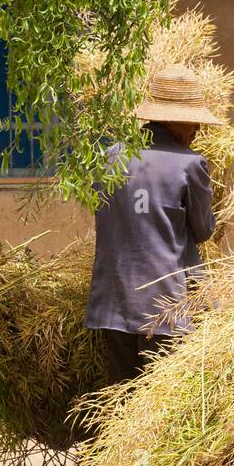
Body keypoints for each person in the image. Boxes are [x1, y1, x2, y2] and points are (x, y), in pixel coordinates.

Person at [84, 64, 222, 384]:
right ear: (172, 121)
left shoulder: (107, 157)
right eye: (192, 123)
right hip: (164, 308)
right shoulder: (191, 164)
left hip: (111, 303)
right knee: (163, 406)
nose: (197, 131)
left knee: (121, 399)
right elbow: (203, 231)